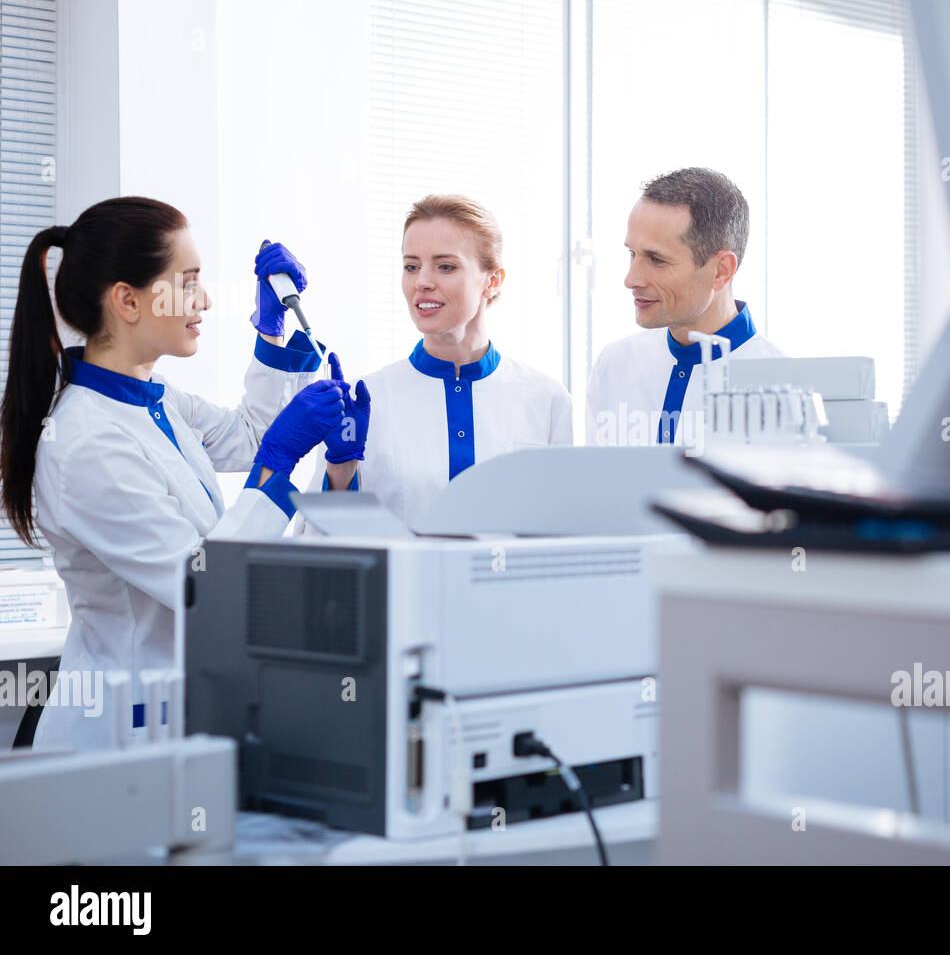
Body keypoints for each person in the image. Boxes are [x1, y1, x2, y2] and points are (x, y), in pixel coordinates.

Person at [0, 197, 347, 750]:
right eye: (188, 281)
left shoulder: (155, 401)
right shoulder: (87, 444)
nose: (205, 300)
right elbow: (203, 588)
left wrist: (273, 339)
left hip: (177, 719)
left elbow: (250, 437)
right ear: (128, 301)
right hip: (115, 742)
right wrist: (278, 463)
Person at [313, 195, 572, 529]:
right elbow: (325, 545)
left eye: (445, 266)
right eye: (411, 266)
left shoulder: (546, 399)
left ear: (491, 282)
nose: (422, 281)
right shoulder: (364, 399)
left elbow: (562, 530)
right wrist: (340, 469)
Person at [586, 167, 784, 446]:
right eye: (632, 253)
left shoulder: (782, 389)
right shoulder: (614, 366)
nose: (631, 279)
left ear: (720, 271)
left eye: (657, 259)